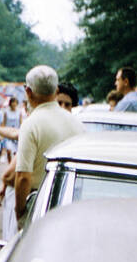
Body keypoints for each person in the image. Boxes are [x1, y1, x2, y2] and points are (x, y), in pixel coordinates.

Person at [13, 66, 87, 229]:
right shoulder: (77, 124)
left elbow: (23, 177)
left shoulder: (31, 124)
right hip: (70, 202)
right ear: (56, 90)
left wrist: (20, 212)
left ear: (28, 92)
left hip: (39, 203)